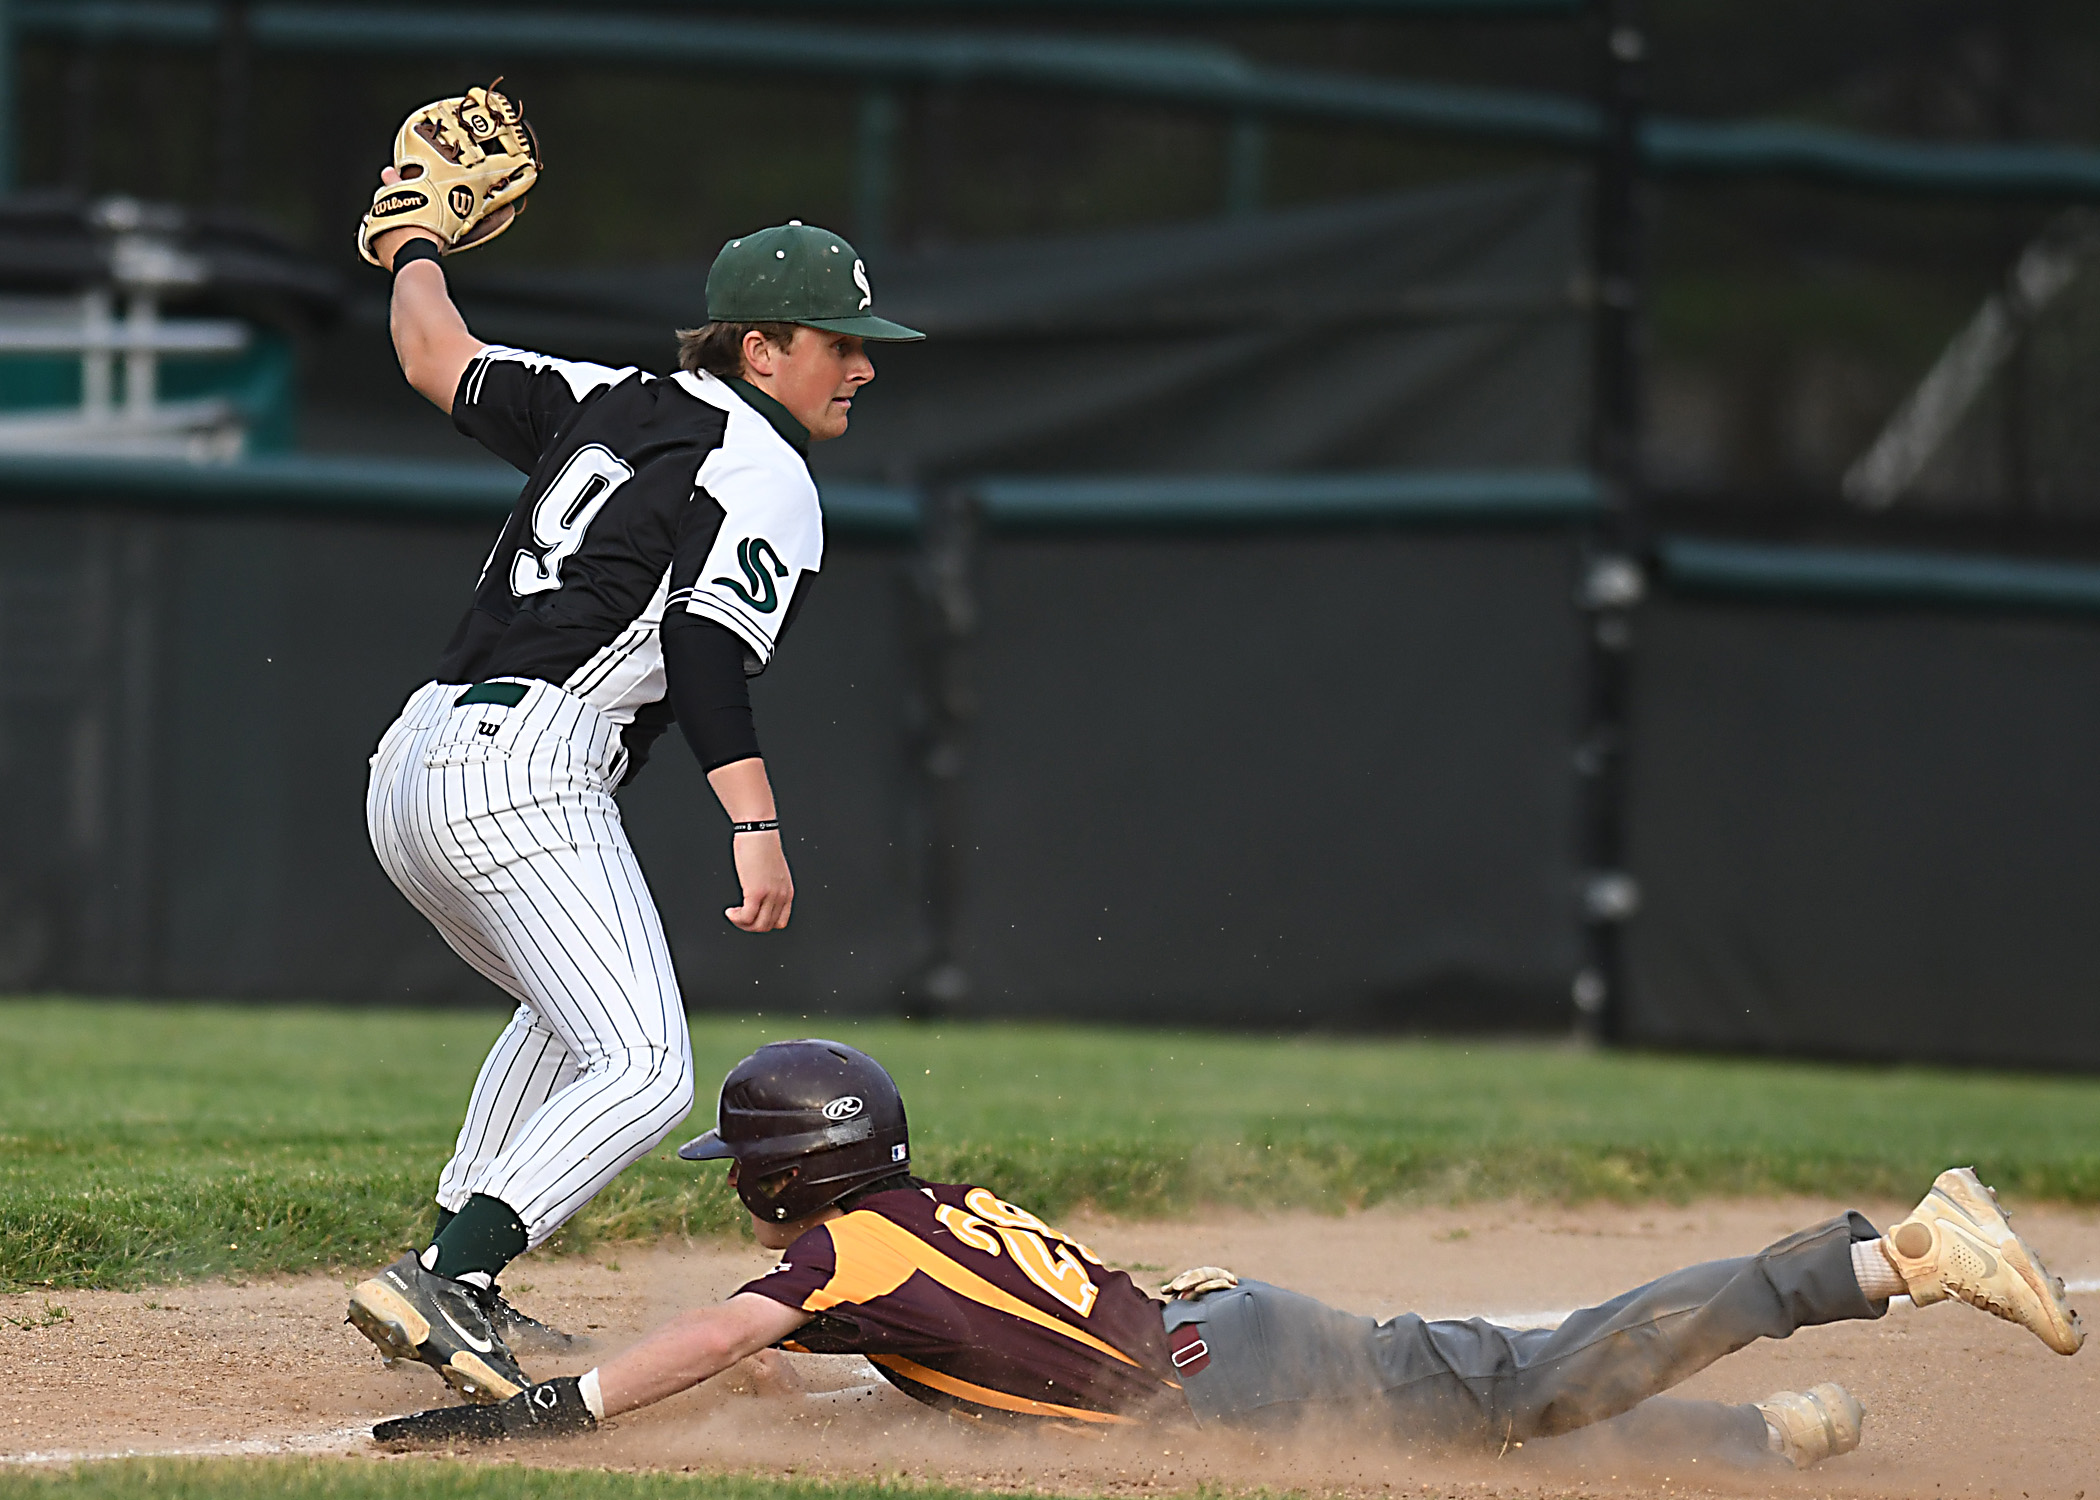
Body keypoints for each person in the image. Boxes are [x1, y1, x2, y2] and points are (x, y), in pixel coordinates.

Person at [372, 1040, 2085, 1468]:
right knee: (1473, 1434)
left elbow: (713, 1342)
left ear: (781, 1190)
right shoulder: (917, 1218)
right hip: (1222, 1340)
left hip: (1227, 1363)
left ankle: (1876, 1256)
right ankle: (1760, 1441)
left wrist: (552, 1411)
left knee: (1516, 1382)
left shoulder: (838, 1267)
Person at [346, 145, 925, 1406]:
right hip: (527, 766)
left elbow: (433, 354)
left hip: (417, 761)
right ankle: (446, 1277)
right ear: (762, 349)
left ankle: (466, 1276)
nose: (864, 365)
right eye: (840, 342)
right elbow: (703, 645)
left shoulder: (599, 393)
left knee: (576, 1020)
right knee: (650, 1066)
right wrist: (754, 820)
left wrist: (410, 250)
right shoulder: (768, 471)